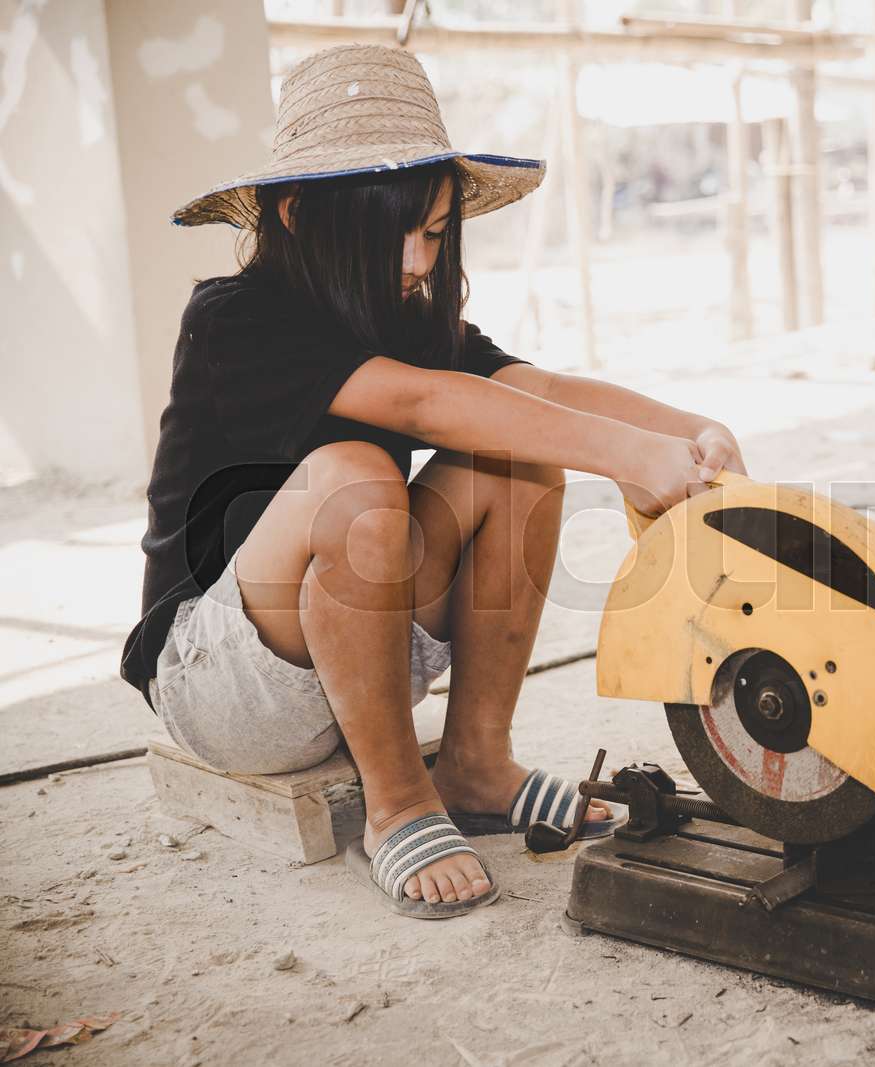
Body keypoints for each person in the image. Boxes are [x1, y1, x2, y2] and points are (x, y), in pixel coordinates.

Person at [119, 44, 745, 918]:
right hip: (221, 683)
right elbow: (419, 402)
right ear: (297, 213)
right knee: (353, 476)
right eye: (396, 233)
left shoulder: (404, 314)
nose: (419, 259)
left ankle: (477, 764)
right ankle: (398, 803)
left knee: (518, 452)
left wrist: (685, 432)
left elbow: (537, 393)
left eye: (438, 232)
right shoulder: (237, 317)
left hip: (365, 652)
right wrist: (625, 457)